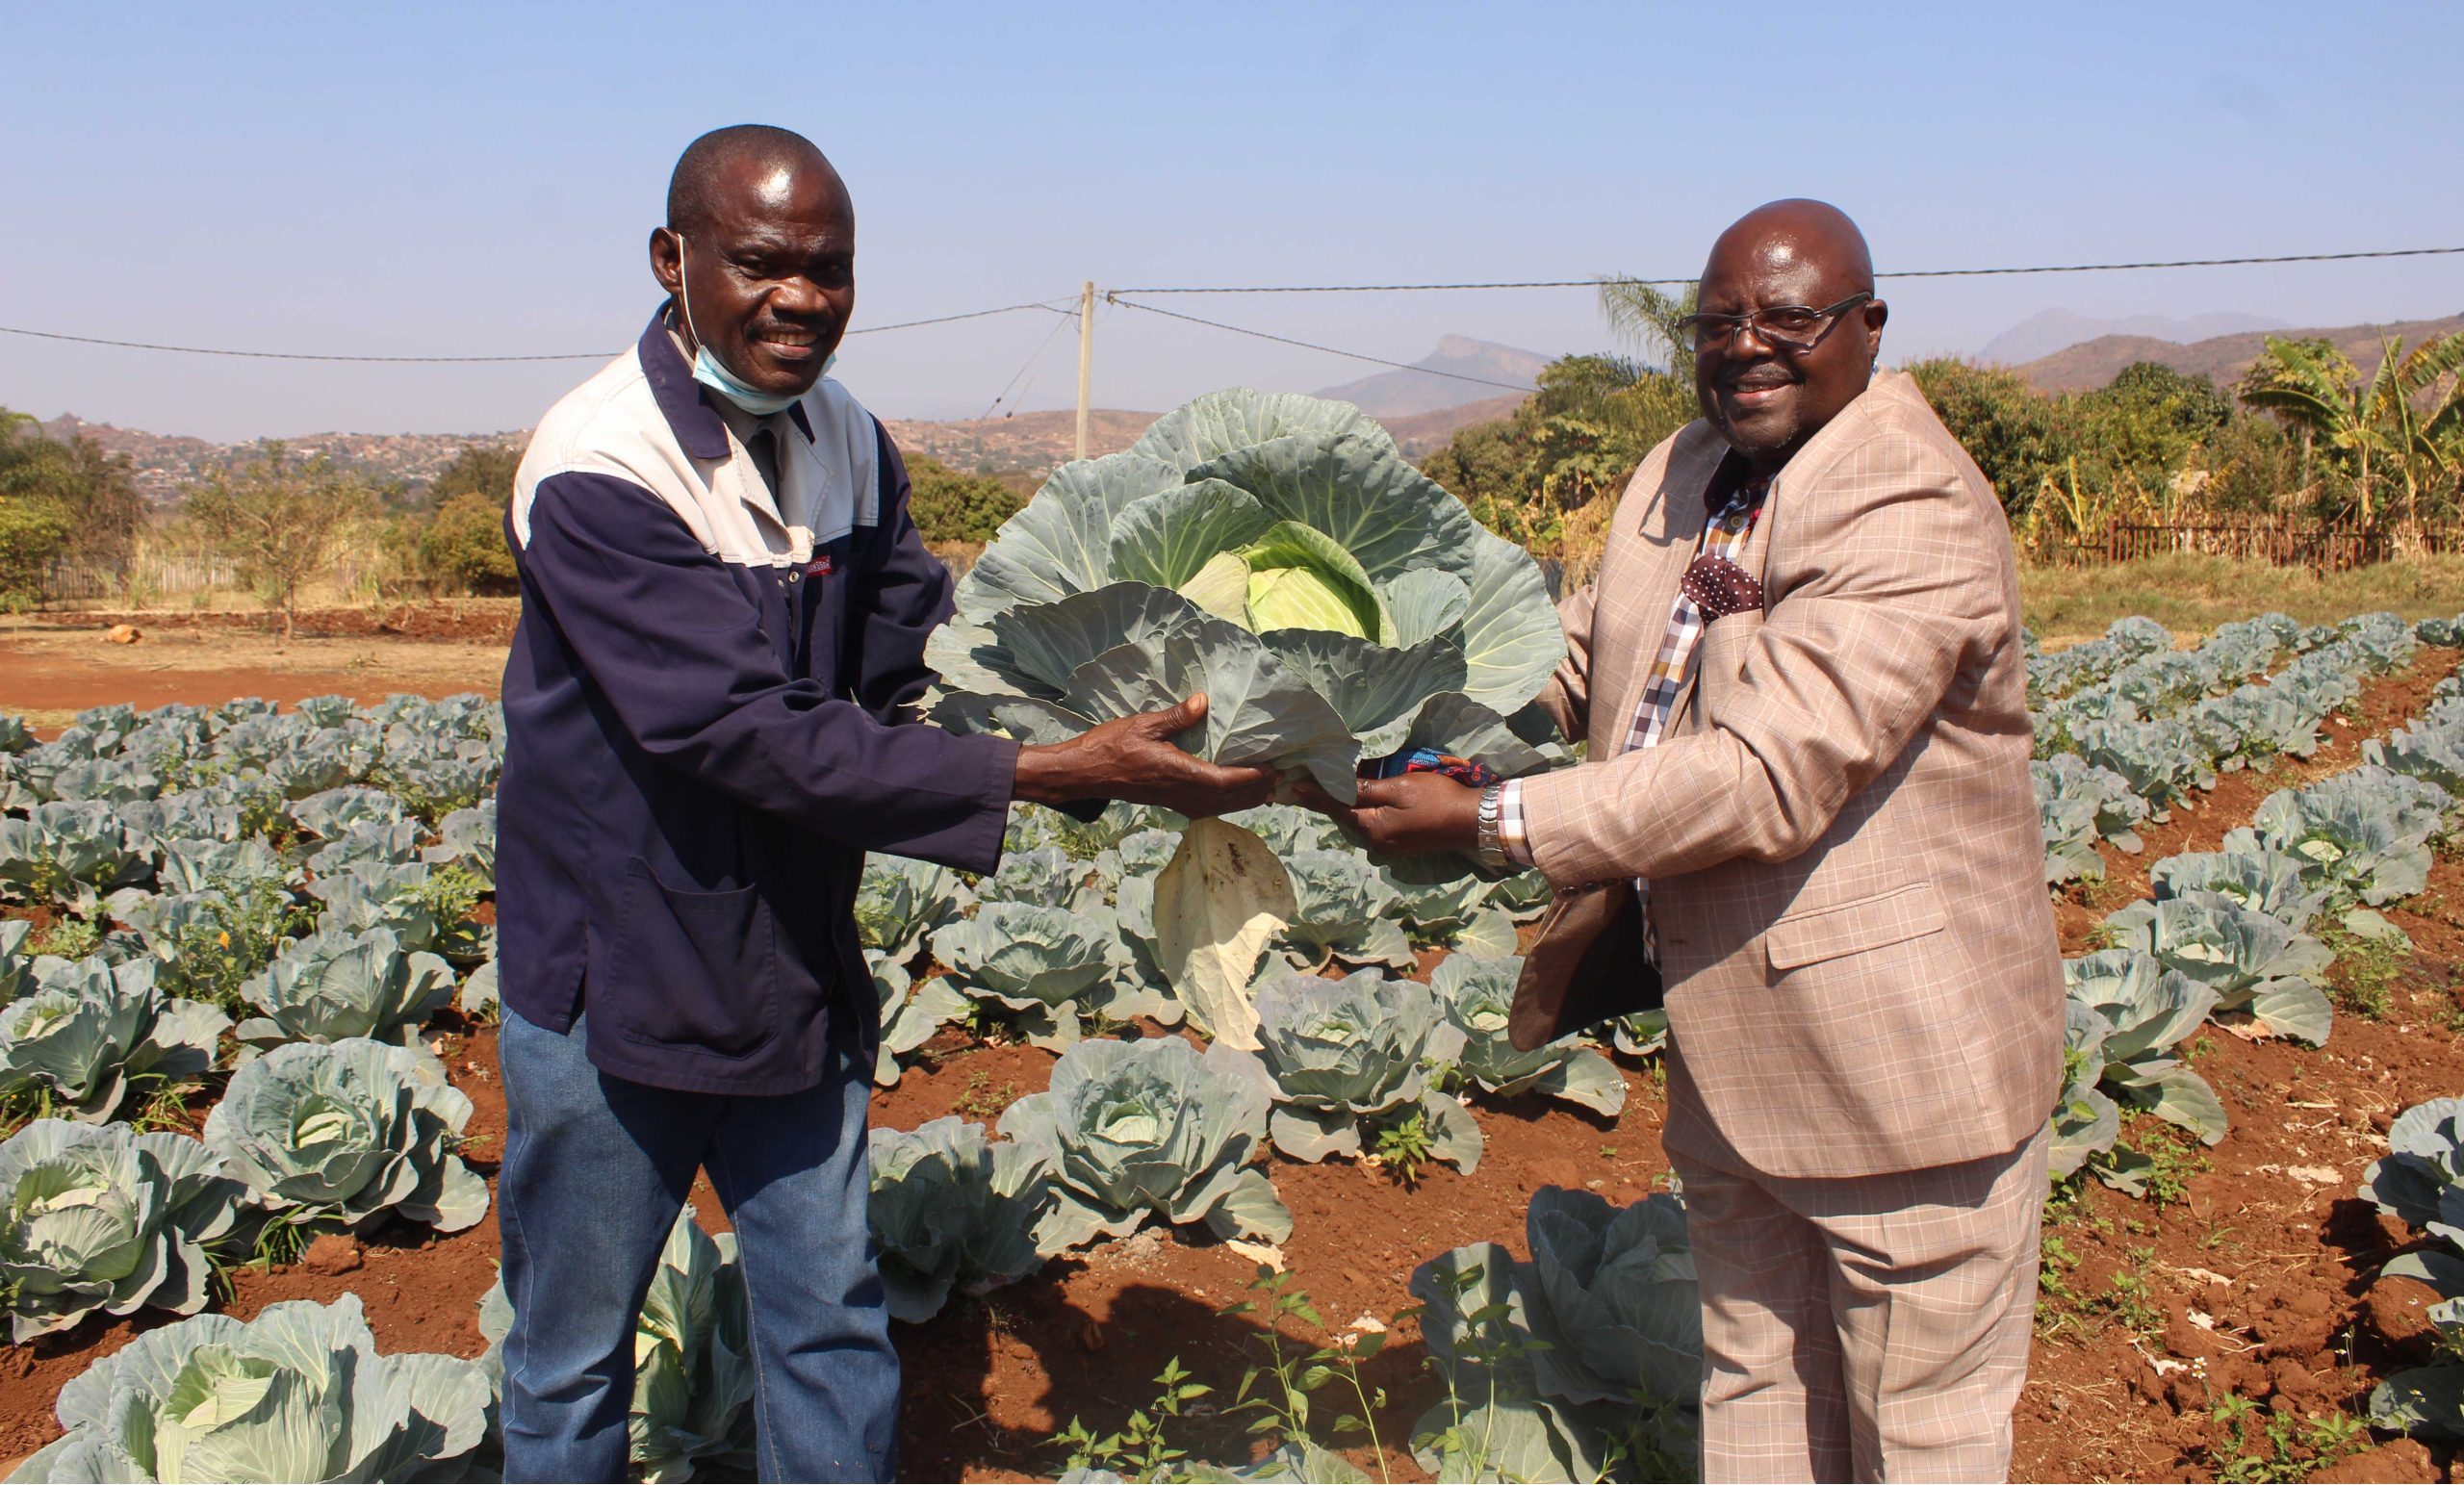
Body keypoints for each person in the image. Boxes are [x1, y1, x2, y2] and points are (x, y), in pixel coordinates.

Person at [492, 123, 1270, 1483]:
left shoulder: (845, 436)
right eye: (762, 265)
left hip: (791, 968)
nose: (802, 298)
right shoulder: (599, 467)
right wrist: (1045, 773)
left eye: (831, 270)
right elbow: (741, 734)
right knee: (571, 1359)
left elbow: (921, 655)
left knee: (834, 1328)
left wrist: (1115, 739)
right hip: (617, 986)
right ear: (674, 261)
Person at [1313, 200, 2064, 1482]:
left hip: (1903, 1069)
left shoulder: (1908, 493)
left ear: (1869, 328)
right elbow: (1585, 656)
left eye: (1789, 318)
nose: (1748, 346)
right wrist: (1390, 714)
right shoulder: (1681, 469)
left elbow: (1770, 774)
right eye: (1719, 323)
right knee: (1759, 1390)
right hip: (1741, 1043)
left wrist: (1495, 816)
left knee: (1918, 1432)